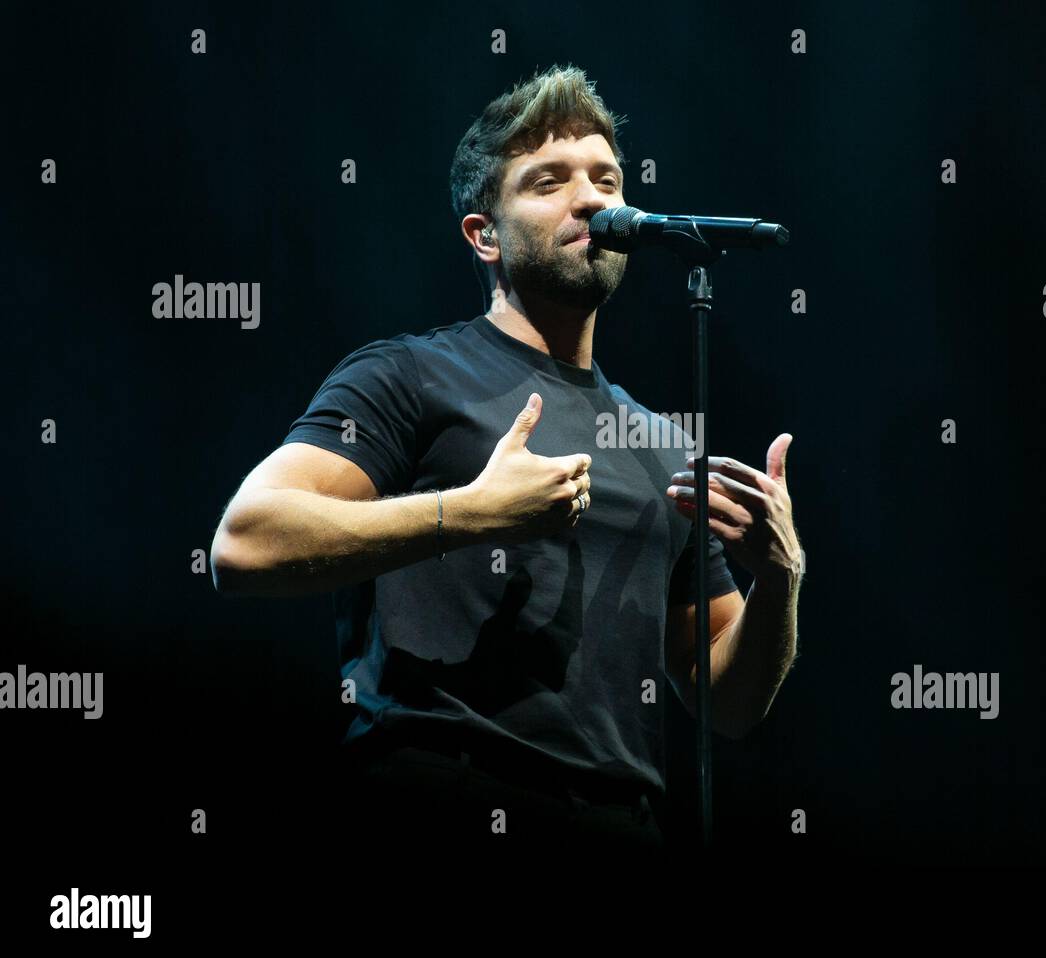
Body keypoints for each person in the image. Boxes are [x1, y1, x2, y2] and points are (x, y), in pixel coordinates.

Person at [210, 63, 803, 861]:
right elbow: (245, 543)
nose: (592, 199)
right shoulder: (408, 374)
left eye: (606, 179)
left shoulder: (661, 442)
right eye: (548, 182)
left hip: (622, 829)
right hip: (438, 800)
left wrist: (779, 583)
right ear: (484, 233)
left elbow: (727, 703)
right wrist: (472, 513)